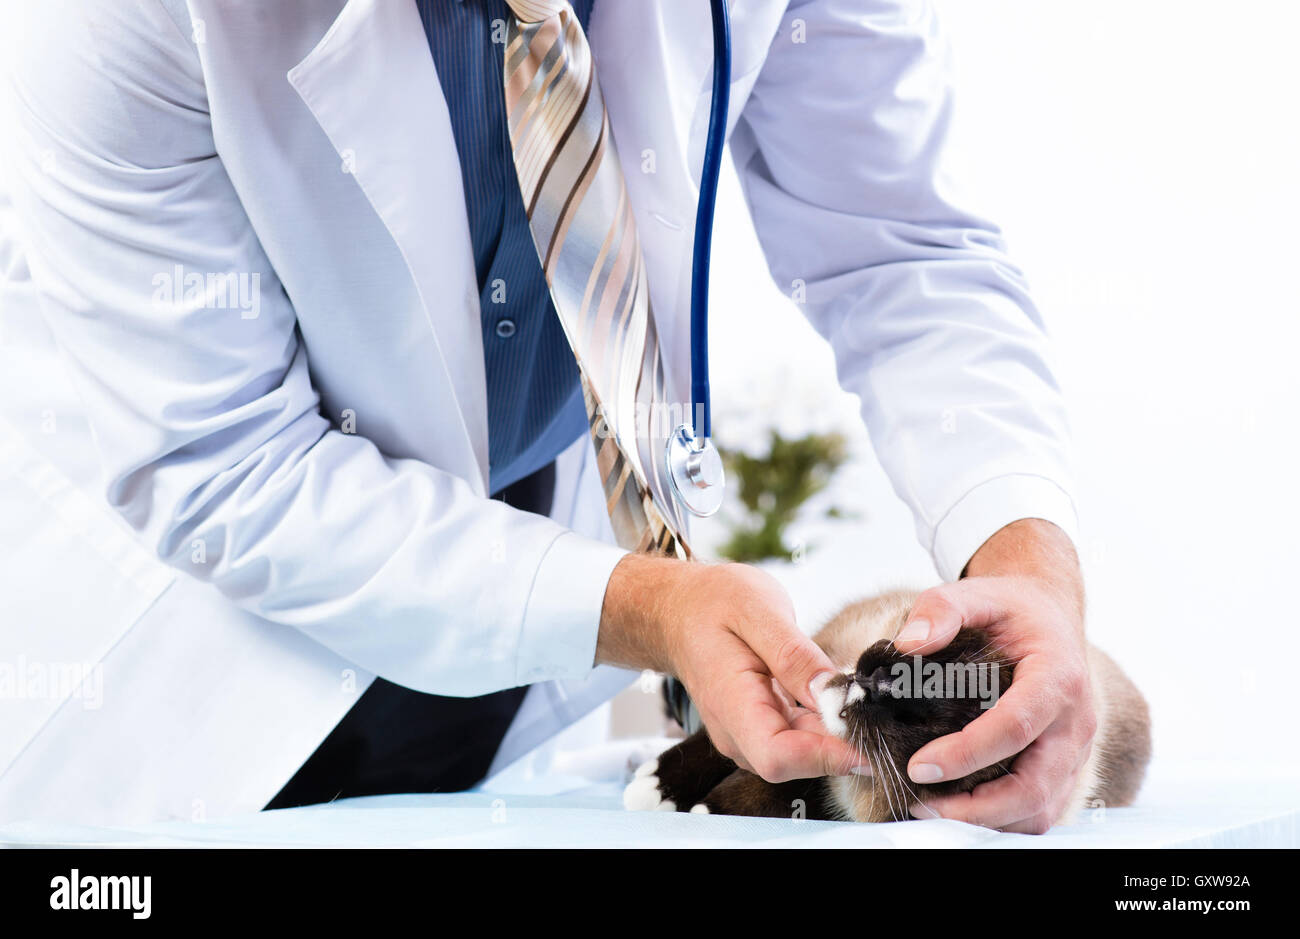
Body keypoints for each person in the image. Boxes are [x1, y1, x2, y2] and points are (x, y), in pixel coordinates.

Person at [0, 0, 1091, 834]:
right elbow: (221, 467)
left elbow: (901, 248)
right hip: (182, 655)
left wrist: (1025, 568)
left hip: (521, 626)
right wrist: (649, 606)